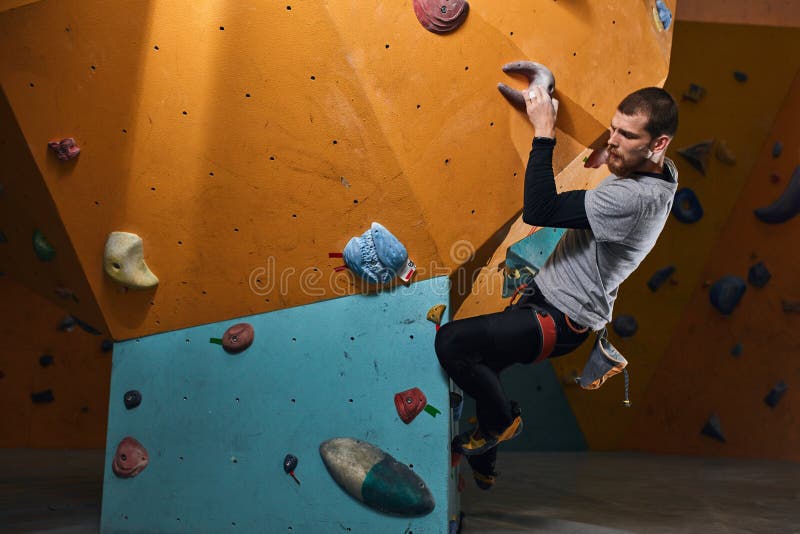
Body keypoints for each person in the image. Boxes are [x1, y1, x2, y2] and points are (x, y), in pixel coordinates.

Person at [435, 86, 679, 489]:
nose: (612, 141)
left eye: (627, 137)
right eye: (613, 130)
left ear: (660, 143)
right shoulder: (663, 172)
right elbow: (635, 165)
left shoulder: (635, 199)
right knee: (486, 368)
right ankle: (486, 465)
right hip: (550, 300)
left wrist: (544, 130)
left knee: (453, 345)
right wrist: (616, 157)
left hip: (562, 318)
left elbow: (540, 209)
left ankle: (504, 422)